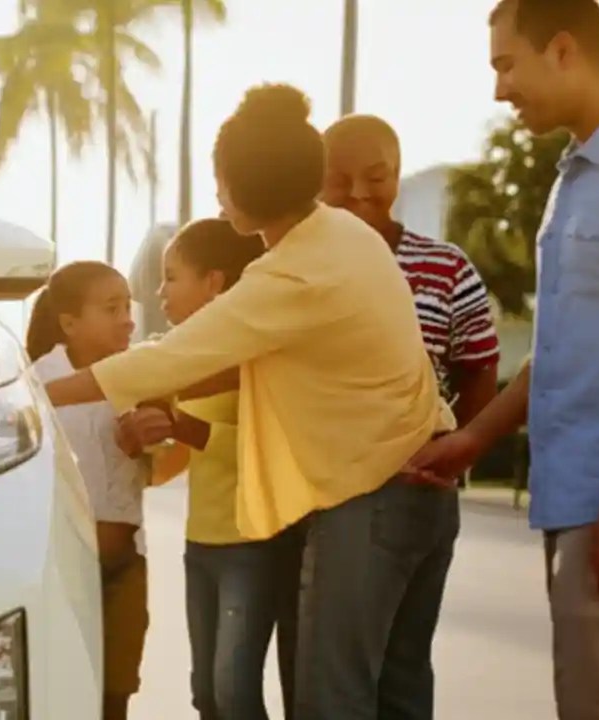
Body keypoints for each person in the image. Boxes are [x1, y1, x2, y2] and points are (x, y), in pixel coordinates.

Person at [42, 83, 454, 720]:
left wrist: (34, 388)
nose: (216, 195)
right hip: (427, 490)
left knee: (333, 702)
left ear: (246, 188)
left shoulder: (287, 276)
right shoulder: (343, 234)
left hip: (372, 501)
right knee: (398, 697)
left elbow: (169, 358)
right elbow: (229, 370)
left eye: (221, 181)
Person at [406, 1, 599, 717]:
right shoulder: (579, 174)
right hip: (579, 503)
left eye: (506, 65)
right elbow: (564, 352)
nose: (499, 90)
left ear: (564, 49)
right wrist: (474, 439)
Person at [321, 114, 501, 718]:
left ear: (397, 174)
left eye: (377, 176)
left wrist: (461, 449)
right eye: (339, 179)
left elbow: (481, 360)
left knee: (371, 677)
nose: (361, 192)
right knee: (370, 674)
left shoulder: (444, 265)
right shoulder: (312, 263)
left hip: (411, 495)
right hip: (342, 490)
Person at [120, 218, 299, 720]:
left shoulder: (255, 359)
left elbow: (263, 448)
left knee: (234, 693)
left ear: (215, 282)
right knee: (207, 695)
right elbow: (172, 463)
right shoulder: (184, 363)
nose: (160, 291)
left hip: (253, 546)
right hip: (201, 546)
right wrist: (139, 439)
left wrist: (180, 424)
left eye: (172, 277)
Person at [24, 261, 155, 720]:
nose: (127, 319)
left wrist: (146, 442)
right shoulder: (35, 381)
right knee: (61, 692)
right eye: (111, 308)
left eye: (128, 306)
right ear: (69, 323)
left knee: (116, 692)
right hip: (60, 570)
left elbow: (157, 466)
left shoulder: (141, 375)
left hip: (126, 565)